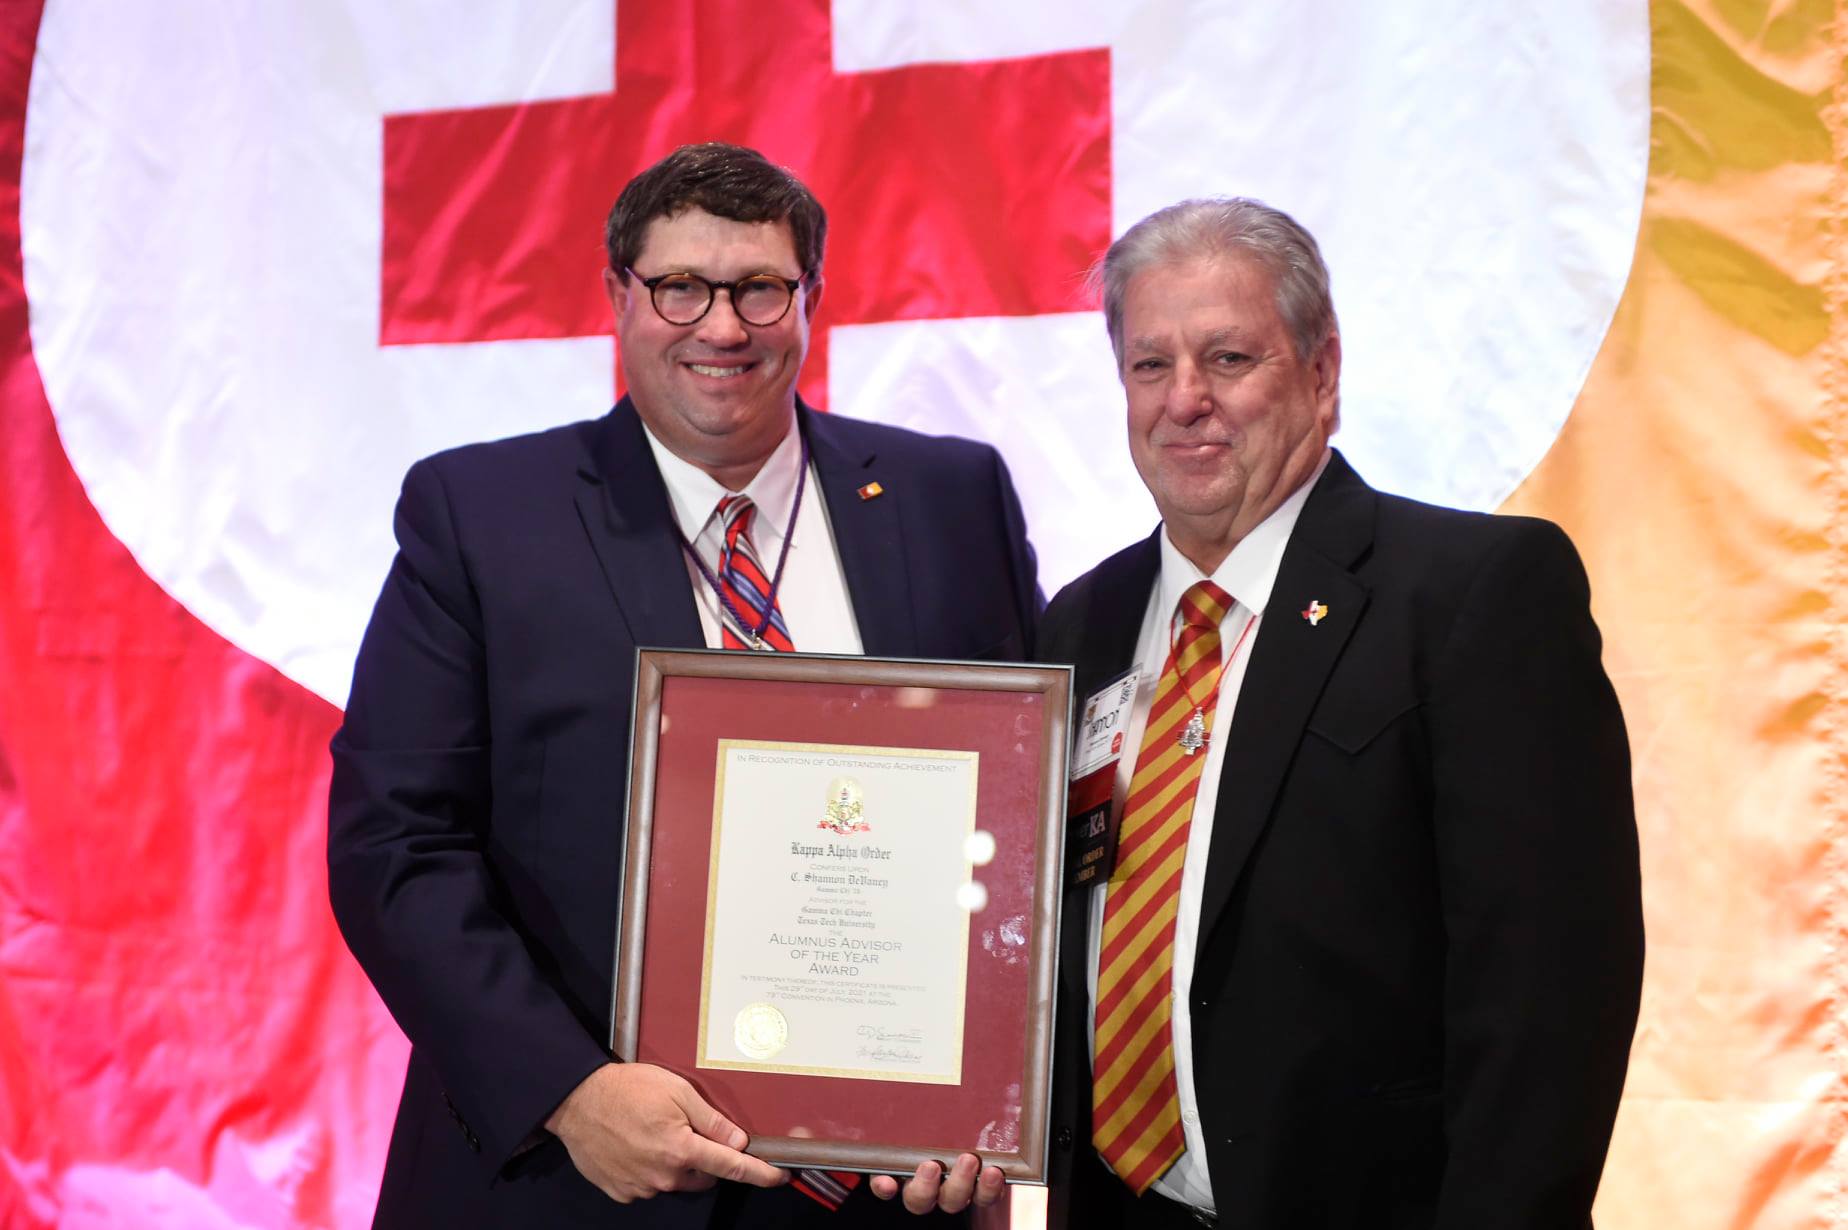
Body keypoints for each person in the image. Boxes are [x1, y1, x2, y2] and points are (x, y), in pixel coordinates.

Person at [327, 142, 1037, 1227]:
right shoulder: (482, 515)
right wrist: (568, 1094)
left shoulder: (950, 498)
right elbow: (394, 844)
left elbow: (1016, 826)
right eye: (680, 288)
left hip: (887, 1192)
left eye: (760, 287)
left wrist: (990, 1110)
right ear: (619, 296)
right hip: (573, 1178)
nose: (721, 326)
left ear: (812, 298)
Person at [1036, 198, 1644, 1228]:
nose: (1185, 400)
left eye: (1228, 358)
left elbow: (1549, 1004)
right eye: (1151, 365)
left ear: (1322, 375)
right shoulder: (1076, 624)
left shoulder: (1475, 595)